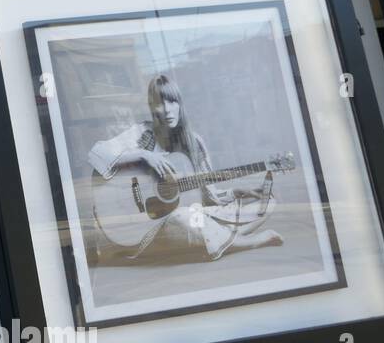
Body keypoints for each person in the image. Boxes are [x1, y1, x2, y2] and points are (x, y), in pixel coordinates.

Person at [87, 74, 282, 263]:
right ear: (151, 107)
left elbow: (209, 195)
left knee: (266, 202)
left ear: (180, 104)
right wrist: (145, 155)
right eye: (160, 103)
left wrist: (236, 192)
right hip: (155, 228)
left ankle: (211, 237)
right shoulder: (141, 133)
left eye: (172, 102)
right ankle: (246, 241)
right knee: (182, 215)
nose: (167, 109)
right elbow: (97, 153)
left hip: (195, 217)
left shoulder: (194, 142)